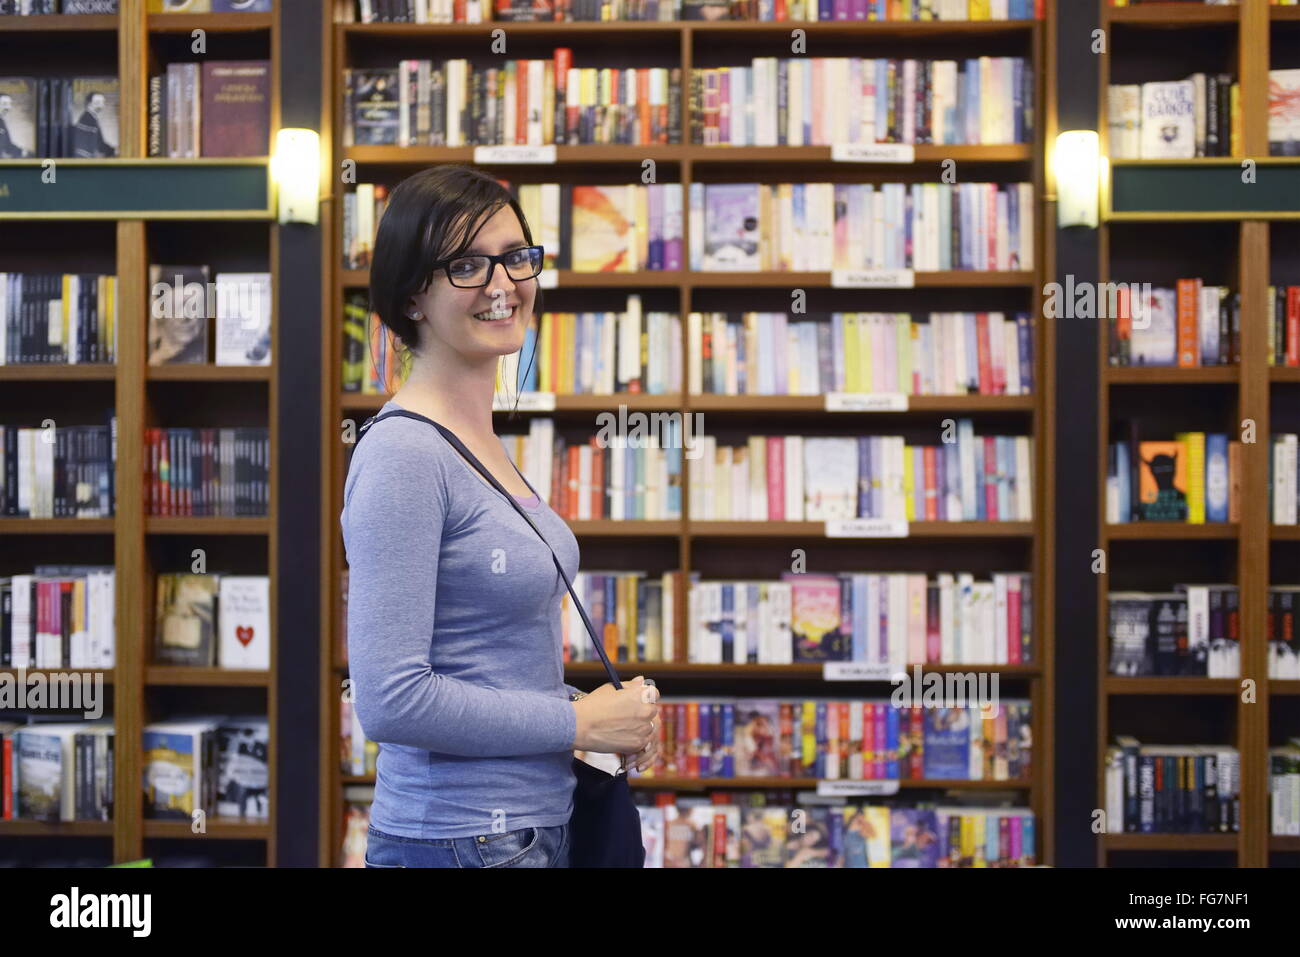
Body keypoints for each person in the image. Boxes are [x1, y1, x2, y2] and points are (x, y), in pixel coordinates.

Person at [342, 164, 661, 868]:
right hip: (458, 839)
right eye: (466, 264)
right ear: (413, 295)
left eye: (516, 257)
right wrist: (575, 719)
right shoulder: (404, 453)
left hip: (525, 829)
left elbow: (486, 666)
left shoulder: (482, 441)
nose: (502, 284)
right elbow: (391, 698)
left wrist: (605, 716)